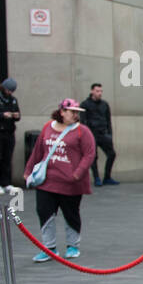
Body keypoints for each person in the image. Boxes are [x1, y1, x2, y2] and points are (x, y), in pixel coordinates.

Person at [22, 99, 95, 261]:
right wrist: (28, 171)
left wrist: (77, 173)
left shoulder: (82, 131)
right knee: (44, 212)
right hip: (47, 181)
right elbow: (38, 151)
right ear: (62, 111)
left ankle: (72, 245)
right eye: (72, 111)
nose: (75, 115)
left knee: (71, 213)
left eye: (77, 112)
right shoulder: (48, 127)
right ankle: (49, 248)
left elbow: (89, 154)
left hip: (70, 183)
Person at [81, 82, 117, 186]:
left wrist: (110, 135)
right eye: (97, 91)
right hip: (91, 134)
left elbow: (108, 120)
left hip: (103, 134)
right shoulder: (85, 104)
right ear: (92, 91)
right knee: (93, 157)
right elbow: (83, 121)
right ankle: (96, 178)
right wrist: (86, 136)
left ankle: (107, 177)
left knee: (112, 154)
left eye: (101, 91)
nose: (99, 93)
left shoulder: (104, 104)